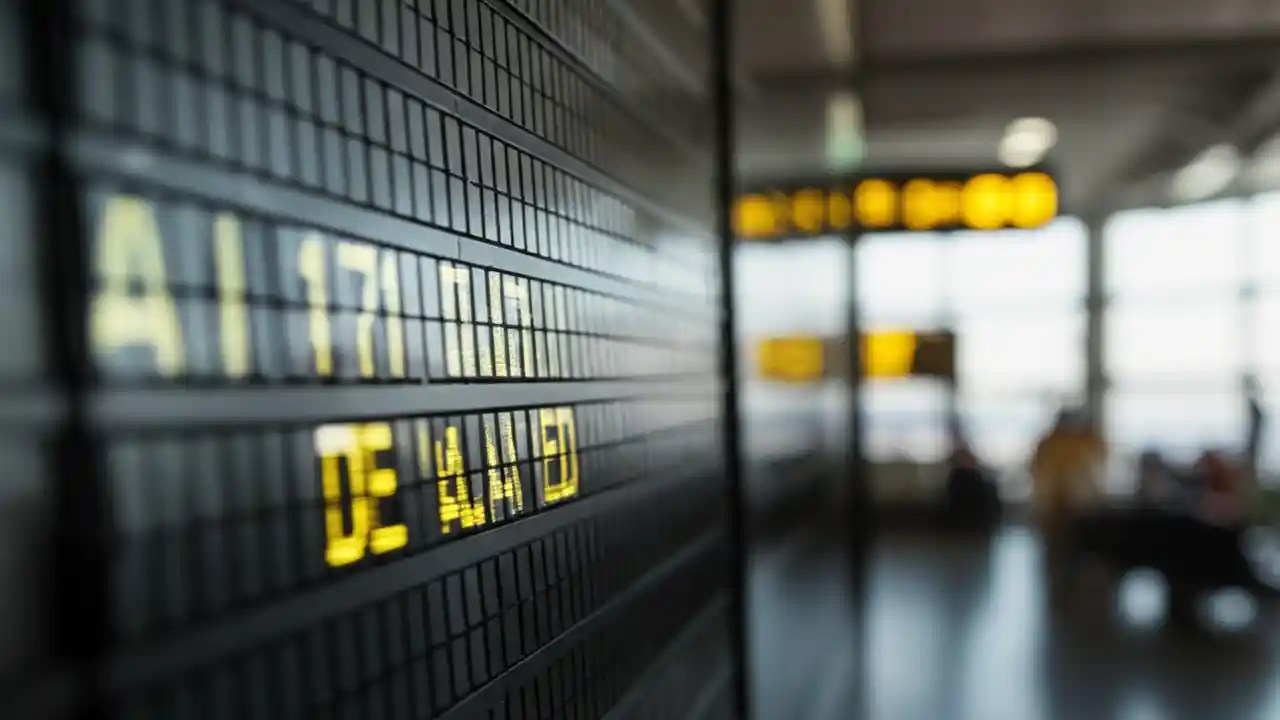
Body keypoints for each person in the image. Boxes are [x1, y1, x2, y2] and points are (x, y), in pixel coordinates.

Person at [1030, 407, 1105, 595]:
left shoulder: (1077, 442)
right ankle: (1062, 583)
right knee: (1061, 547)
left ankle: (1066, 581)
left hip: (1069, 507)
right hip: (1059, 506)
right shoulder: (1057, 444)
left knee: (1069, 547)